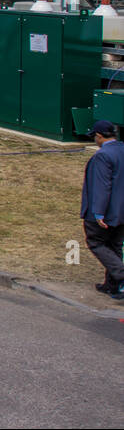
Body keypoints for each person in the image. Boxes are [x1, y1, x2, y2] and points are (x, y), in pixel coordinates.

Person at [81, 120, 124, 300]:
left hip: (105, 211)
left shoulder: (102, 156)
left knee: (96, 242)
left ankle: (120, 274)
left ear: (99, 136)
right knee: (114, 245)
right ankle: (112, 286)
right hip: (121, 211)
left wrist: (98, 212)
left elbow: (101, 185)